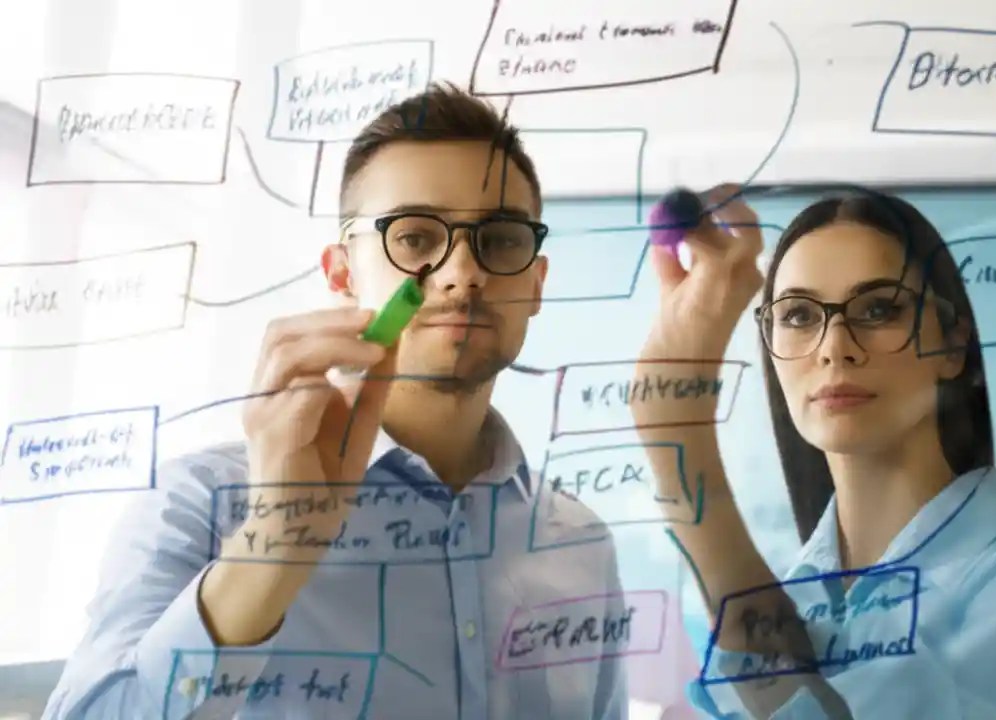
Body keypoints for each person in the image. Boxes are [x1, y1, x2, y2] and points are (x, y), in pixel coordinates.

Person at [44, 83, 628, 719]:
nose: (463, 272)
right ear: (342, 273)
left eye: (503, 238)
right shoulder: (193, 507)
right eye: (413, 237)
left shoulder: (580, 542)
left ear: (536, 283)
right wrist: (272, 547)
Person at [629, 185, 996, 718]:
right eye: (799, 315)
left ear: (952, 345)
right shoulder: (785, 602)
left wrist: (679, 438)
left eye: (878, 309)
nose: (834, 346)